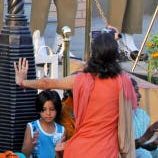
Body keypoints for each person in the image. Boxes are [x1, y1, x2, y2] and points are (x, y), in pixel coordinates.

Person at [14, 29, 138, 157]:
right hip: (106, 150)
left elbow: (47, 83)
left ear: (93, 54)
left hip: (78, 149)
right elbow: (130, 113)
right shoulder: (123, 82)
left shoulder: (82, 79)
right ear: (115, 55)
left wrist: (23, 82)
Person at [20, 90, 65, 158]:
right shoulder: (32, 127)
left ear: (57, 109)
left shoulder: (61, 130)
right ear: (39, 109)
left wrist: (58, 151)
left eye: (52, 109)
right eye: (44, 109)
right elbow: (24, 154)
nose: (48, 113)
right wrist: (32, 145)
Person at [131, 78, 158, 157]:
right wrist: (144, 138)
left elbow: (142, 147)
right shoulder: (113, 117)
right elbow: (121, 149)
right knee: (144, 154)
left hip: (137, 151)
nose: (140, 96)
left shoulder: (141, 115)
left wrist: (154, 143)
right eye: (136, 91)